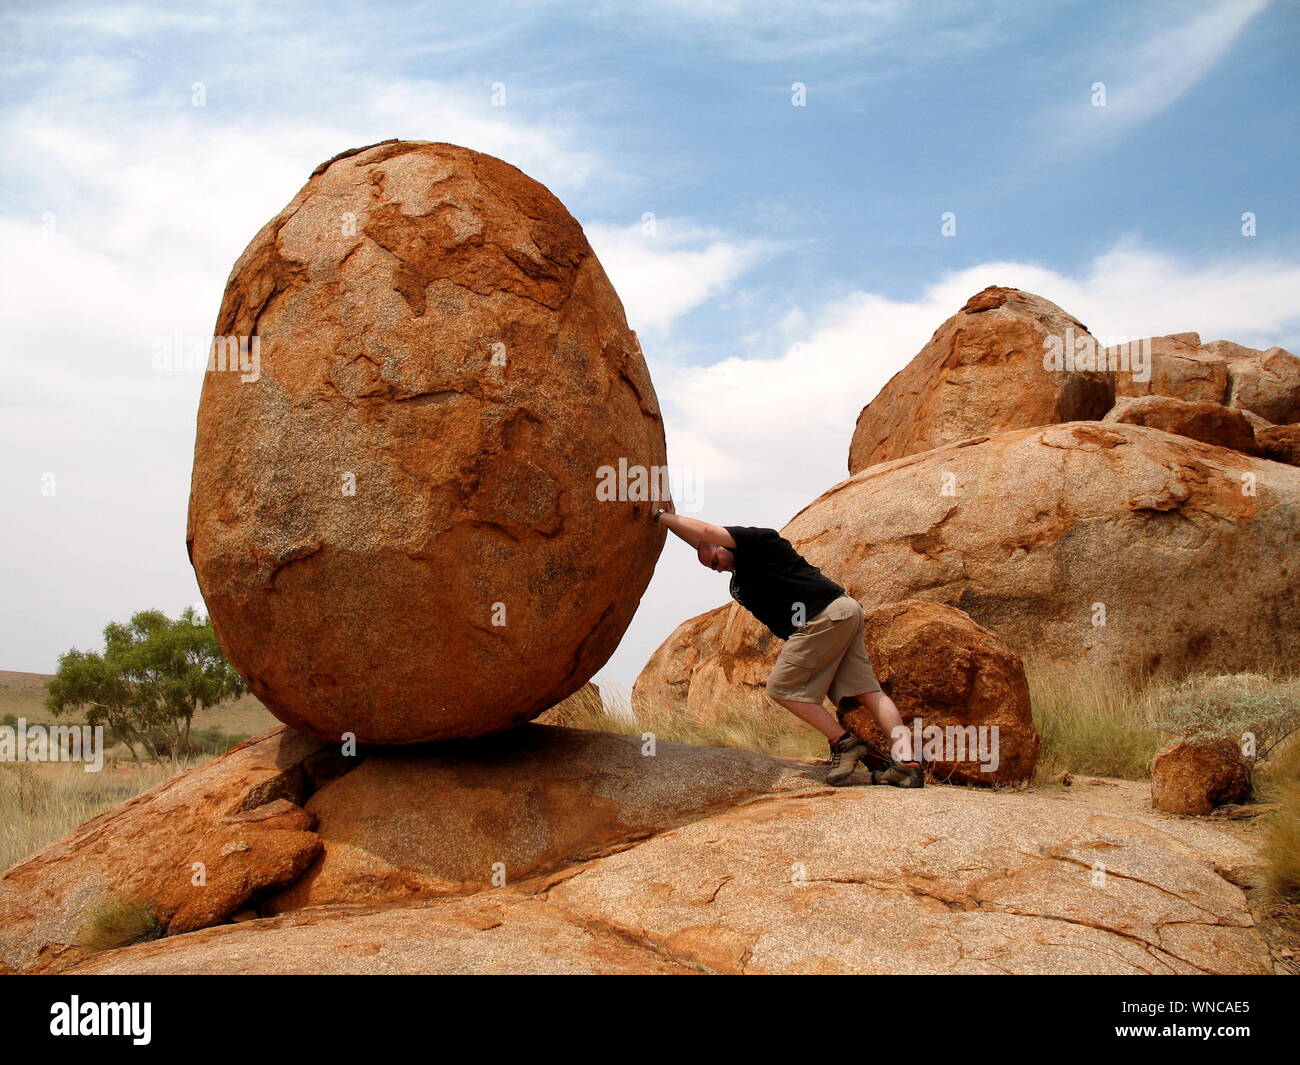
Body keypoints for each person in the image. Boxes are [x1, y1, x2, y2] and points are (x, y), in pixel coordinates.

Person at [652, 506, 923, 788]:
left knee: (782, 688)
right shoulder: (738, 567)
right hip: (841, 611)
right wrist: (671, 523)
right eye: (711, 568)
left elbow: (706, 534)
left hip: (822, 617)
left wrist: (658, 516)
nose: (717, 568)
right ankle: (907, 766)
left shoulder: (758, 541)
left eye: (715, 560)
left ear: (723, 544)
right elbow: (702, 542)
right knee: (869, 692)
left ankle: (845, 743)